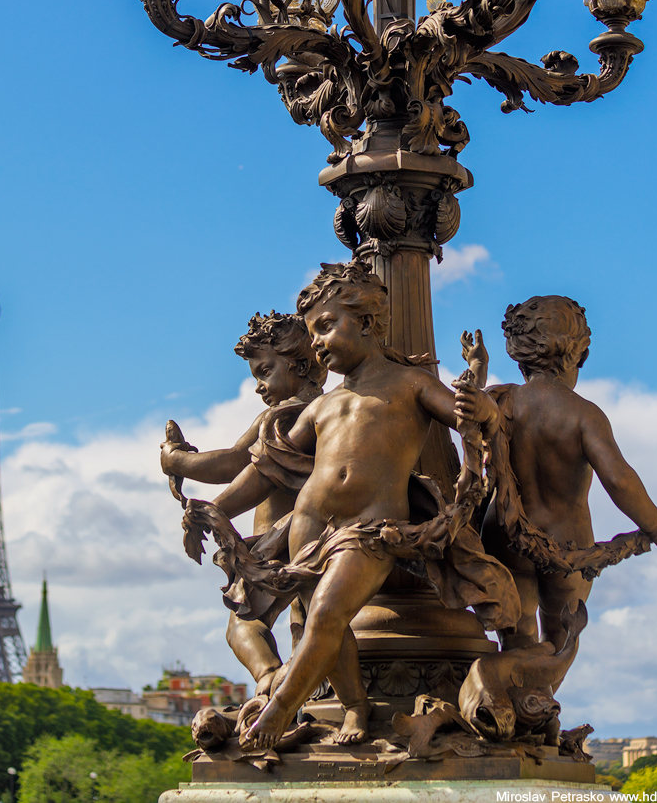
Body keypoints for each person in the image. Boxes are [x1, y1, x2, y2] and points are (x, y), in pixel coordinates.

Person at [203, 260, 508, 748]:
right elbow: (266, 468)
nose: (318, 341)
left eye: (326, 326)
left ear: (366, 322)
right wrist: (214, 508)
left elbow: (463, 416)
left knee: (325, 613)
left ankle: (280, 709)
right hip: (307, 527)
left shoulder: (409, 384)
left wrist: (483, 404)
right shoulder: (321, 406)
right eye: (312, 332)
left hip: (371, 529)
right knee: (330, 623)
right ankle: (354, 704)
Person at [480, 294, 657, 659]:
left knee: (517, 636)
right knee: (560, 639)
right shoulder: (583, 414)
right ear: (578, 355)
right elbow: (618, 479)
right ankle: (534, 708)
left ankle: (514, 701)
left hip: (504, 533)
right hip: (565, 545)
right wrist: (656, 523)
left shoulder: (498, 402)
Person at [160, 311, 325, 697]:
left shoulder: (284, 416)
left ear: (299, 364)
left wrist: (175, 460)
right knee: (305, 624)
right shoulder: (320, 410)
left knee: (243, 623)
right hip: (306, 540)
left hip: (281, 545)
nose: (258, 386)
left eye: (265, 371)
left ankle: (271, 682)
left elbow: (235, 462)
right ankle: (302, 689)